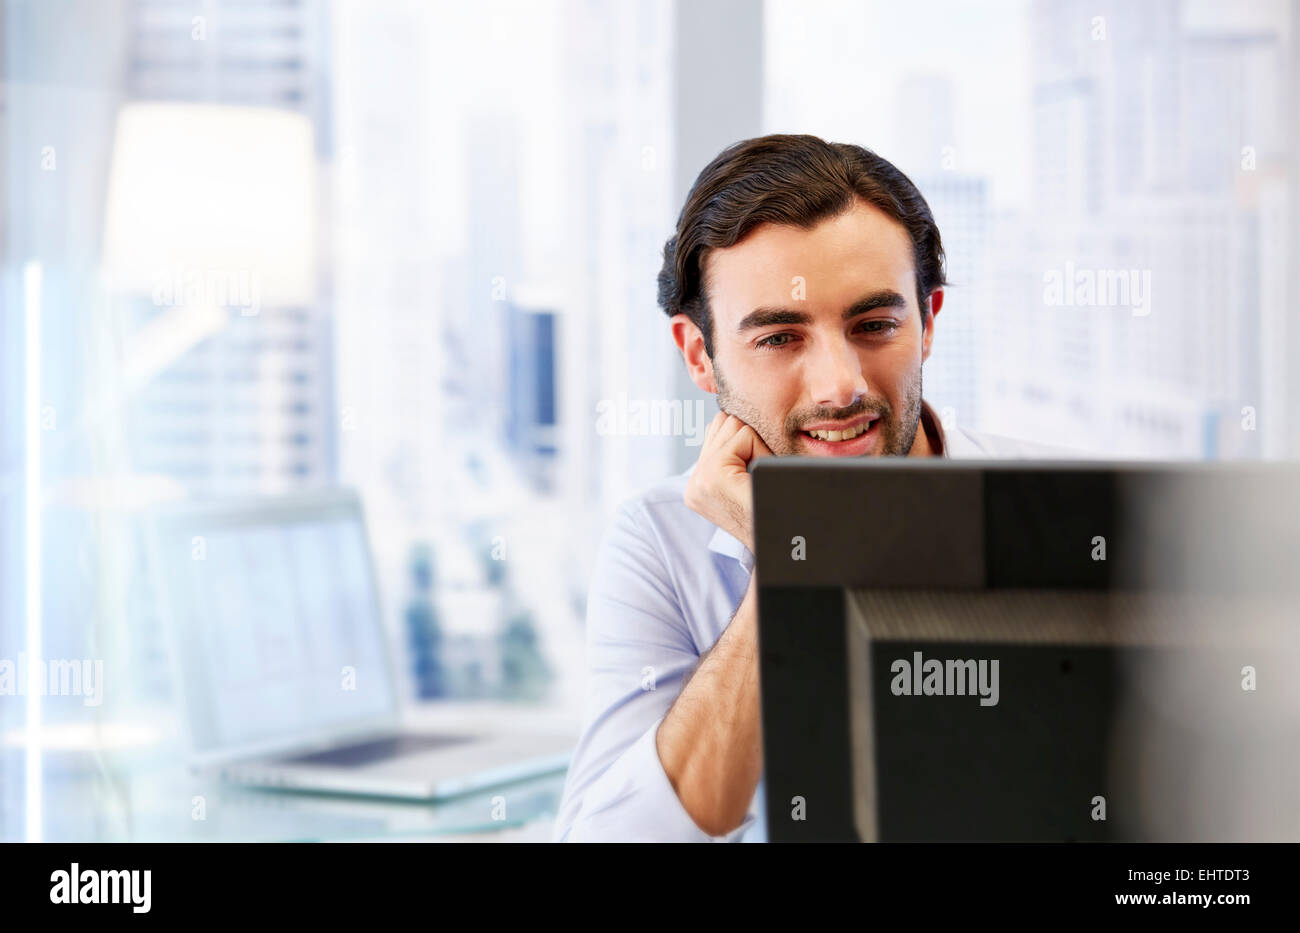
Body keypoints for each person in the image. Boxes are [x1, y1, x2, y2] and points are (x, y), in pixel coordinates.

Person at [554, 134, 1071, 842]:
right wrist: (792, 564)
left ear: (928, 324)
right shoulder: (658, 542)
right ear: (700, 355)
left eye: (875, 325)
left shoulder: (1064, 512)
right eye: (780, 338)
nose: (841, 386)